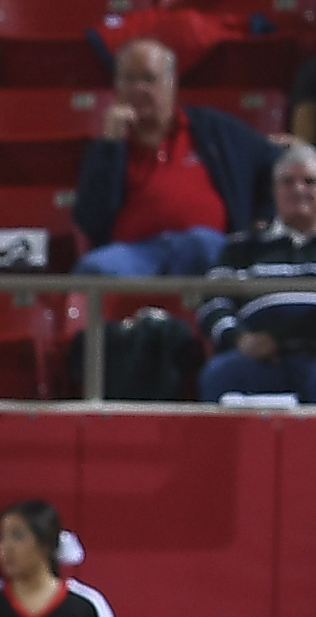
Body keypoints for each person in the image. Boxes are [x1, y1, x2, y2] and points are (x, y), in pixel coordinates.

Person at [75, 38, 281, 278]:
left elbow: (278, 163)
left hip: (204, 246)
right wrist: (111, 147)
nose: (138, 89)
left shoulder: (213, 129)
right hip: (136, 255)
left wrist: (265, 217)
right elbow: (90, 219)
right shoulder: (108, 148)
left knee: (205, 245)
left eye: (149, 79)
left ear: (171, 83)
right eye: (129, 80)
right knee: (94, 269)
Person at [196, 143, 316, 402]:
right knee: (218, 376)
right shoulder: (241, 247)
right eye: (288, 182)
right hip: (255, 358)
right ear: (274, 191)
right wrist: (240, 341)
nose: (299, 190)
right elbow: (212, 304)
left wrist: (281, 339)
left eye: (309, 181)